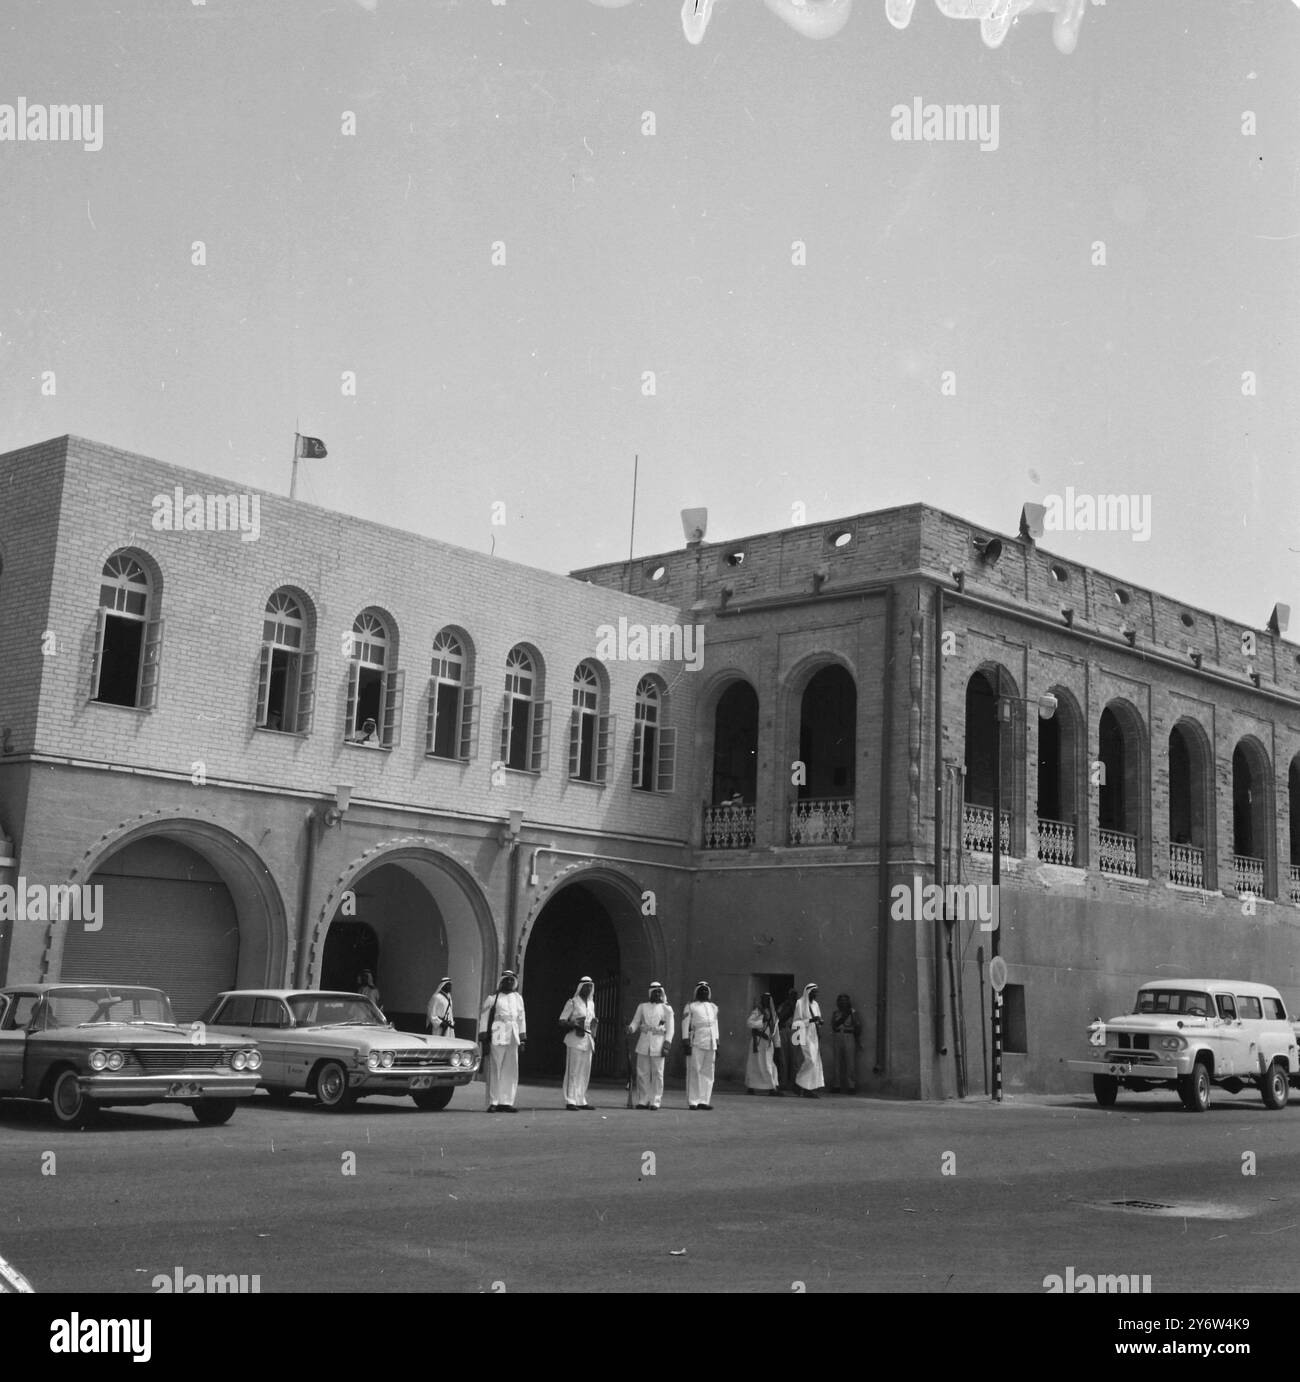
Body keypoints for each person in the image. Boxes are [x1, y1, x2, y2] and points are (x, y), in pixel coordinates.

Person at [479, 970, 527, 1112]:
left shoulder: (518, 998)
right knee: (495, 1068)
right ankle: (493, 1101)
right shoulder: (493, 998)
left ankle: (506, 1102)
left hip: (513, 1034)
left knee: (511, 1069)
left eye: (512, 980)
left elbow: (521, 1018)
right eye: (507, 980)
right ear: (501, 981)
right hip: (498, 1031)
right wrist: (483, 1040)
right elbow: (484, 1019)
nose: (509, 983)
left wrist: (523, 1039)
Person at [627, 981, 675, 1110]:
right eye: (655, 992)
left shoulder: (667, 1008)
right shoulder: (642, 1006)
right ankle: (643, 1100)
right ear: (650, 993)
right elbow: (636, 1021)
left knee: (658, 1073)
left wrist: (667, 1044)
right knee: (642, 1073)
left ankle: (655, 1101)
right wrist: (631, 1028)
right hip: (644, 1042)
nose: (657, 994)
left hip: (659, 1043)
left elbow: (670, 1029)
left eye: (659, 992)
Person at [559, 975, 598, 1110]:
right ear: (580, 987)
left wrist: (594, 1025)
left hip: (588, 1039)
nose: (588, 988)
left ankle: (581, 1099)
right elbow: (562, 1020)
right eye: (586, 986)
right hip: (575, 1039)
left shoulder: (591, 1003)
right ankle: (570, 1100)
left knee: (584, 1071)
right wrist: (573, 1023)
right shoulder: (572, 1002)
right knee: (573, 1071)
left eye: (590, 986)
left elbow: (591, 1021)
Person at [682, 981, 720, 1110]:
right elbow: (685, 1024)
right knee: (694, 1071)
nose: (704, 992)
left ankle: (704, 1100)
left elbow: (715, 1025)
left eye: (706, 990)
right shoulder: (691, 1006)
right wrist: (685, 1042)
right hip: (696, 1041)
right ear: (696, 992)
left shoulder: (713, 1007)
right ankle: (693, 1101)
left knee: (708, 1073)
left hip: (711, 1042)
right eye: (701, 990)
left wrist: (717, 1042)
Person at [745, 991, 782, 1096]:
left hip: (768, 1044)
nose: (766, 1001)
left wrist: (777, 1045)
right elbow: (749, 1023)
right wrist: (762, 1021)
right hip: (757, 1042)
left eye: (768, 999)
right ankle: (752, 1086)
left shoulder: (774, 1015)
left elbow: (775, 1031)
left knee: (769, 1065)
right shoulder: (757, 1011)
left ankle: (772, 1087)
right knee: (754, 1065)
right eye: (764, 999)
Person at [793, 982, 825, 1098]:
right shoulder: (800, 1003)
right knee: (810, 1060)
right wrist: (810, 1021)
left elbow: (818, 1019)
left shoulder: (816, 1004)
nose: (816, 995)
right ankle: (798, 1083)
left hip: (814, 1035)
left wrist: (819, 1022)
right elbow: (796, 1023)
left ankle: (808, 1088)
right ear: (808, 992)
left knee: (815, 1062)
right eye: (814, 992)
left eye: (817, 992)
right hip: (803, 1035)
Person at [829, 992, 862, 1093]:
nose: (843, 1003)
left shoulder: (852, 1012)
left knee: (850, 1062)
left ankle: (851, 1086)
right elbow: (833, 1025)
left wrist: (857, 1038)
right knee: (836, 1062)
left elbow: (858, 1025)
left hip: (849, 1036)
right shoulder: (836, 1013)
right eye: (841, 1001)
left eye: (845, 1001)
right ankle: (836, 1085)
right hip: (838, 1035)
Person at [776, 986, 800, 1090]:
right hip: (784, 1030)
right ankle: (783, 1082)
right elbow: (779, 1017)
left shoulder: (799, 1006)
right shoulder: (783, 1005)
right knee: (783, 1058)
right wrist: (788, 1008)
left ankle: (795, 1083)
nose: (793, 996)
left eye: (794, 994)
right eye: (791, 994)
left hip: (796, 1032)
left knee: (795, 1058)